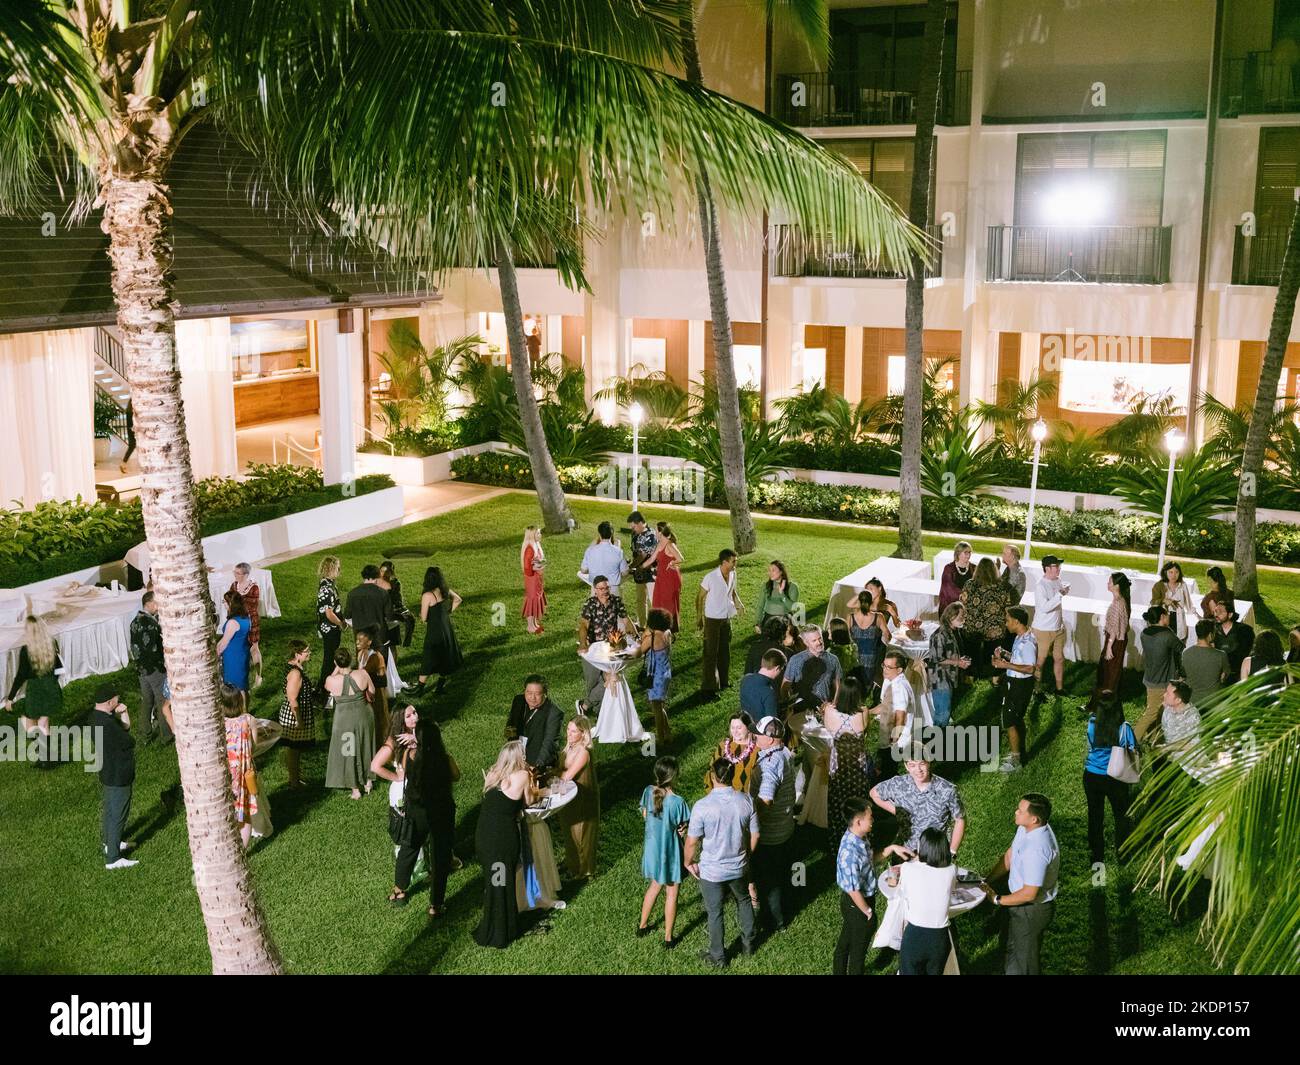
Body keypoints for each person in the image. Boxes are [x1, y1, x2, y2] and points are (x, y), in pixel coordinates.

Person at [371, 705, 459, 914]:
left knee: (409, 848)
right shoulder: (444, 759)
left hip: (417, 810)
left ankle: (399, 890)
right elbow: (456, 776)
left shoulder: (408, 756)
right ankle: (436, 904)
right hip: (441, 811)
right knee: (439, 855)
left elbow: (405, 770)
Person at [685, 757, 760, 968]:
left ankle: (718, 956)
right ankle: (748, 944)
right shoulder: (746, 801)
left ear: (712, 776)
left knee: (715, 912)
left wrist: (688, 862)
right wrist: (747, 855)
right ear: (733, 775)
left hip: (712, 870)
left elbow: (692, 842)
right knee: (744, 901)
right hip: (738, 866)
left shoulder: (702, 806)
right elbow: (755, 835)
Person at [982, 793, 1060, 976]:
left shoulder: (1037, 849)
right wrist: (988, 880)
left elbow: (1029, 893)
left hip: (1030, 910)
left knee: (1024, 963)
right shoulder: (1026, 829)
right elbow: (1010, 855)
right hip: (1020, 906)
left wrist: (997, 899)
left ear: (1034, 818)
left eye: (1021, 810)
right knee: (1013, 951)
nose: (1016, 811)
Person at [473, 741, 537, 948]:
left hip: (485, 836)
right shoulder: (523, 776)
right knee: (500, 884)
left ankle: (502, 925)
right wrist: (535, 785)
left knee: (496, 884)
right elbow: (529, 801)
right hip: (501, 840)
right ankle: (499, 933)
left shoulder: (493, 774)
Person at [833, 799, 892, 975]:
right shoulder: (850, 852)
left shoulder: (859, 838)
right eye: (870, 817)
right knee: (857, 954)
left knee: (845, 943)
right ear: (859, 822)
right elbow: (852, 889)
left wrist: (892, 848)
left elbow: (869, 860)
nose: (873, 820)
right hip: (857, 904)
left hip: (855, 903)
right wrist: (867, 912)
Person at [638, 756, 690, 947]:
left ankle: (642, 925)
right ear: (674, 776)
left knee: (654, 886)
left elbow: (645, 814)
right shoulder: (678, 802)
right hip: (670, 852)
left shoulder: (648, 791)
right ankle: (668, 938)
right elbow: (683, 828)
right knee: (672, 893)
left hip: (652, 849)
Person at [870, 753, 966, 856]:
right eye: (912, 765)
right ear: (906, 766)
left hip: (935, 854)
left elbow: (960, 819)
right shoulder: (898, 784)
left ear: (929, 762)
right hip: (906, 851)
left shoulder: (946, 789)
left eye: (922, 763)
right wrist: (897, 811)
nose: (918, 769)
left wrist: (952, 852)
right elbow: (874, 793)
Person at [752, 716, 797, 933]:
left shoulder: (770, 764)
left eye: (758, 734)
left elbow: (766, 798)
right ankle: (786, 909)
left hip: (771, 833)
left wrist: (753, 818)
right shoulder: (785, 753)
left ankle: (774, 921)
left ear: (770, 739)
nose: (755, 736)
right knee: (782, 873)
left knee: (768, 881)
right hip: (786, 827)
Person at [895, 826, 959, 976]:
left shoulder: (908, 869)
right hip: (939, 938)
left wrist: (916, 857)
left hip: (915, 935)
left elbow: (903, 891)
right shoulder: (951, 870)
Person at [1082, 691, 1136, 867]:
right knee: (1121, 816)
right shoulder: (1124, 728)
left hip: (1092, 776)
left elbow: (1090, 745)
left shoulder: (1091, 724)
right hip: (1116, 777)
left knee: (1095, 816)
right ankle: (1123, 855)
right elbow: (1132, 748)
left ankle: (1096, 857)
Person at [3, 615, 64, 768]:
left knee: (28, 721)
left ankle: (44, 757)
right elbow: (58, 668)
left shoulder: (26, 650)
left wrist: (10, 698)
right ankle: (48, 758)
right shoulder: (52, 643)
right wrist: (52, 684)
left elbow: (21, 675)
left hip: (36, 689)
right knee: (44, 722)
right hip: (51, 686)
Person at [91, 683, 138, 869]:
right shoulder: (108, 724)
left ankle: (109, 842)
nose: (119, 701)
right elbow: (129, 739)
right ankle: (113, 858)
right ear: (110, 702)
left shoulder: (96, 717)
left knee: (110, 810)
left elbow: (124, 728)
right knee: (119, 814)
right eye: (117, 699)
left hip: (107, 772)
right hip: (119, 774)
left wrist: (123, 713)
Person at [823, 676, 873, 845]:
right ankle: (861, 837)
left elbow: (827, 728)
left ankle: (838, 838)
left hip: (839, 763)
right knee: (858, 799)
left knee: (838, 800)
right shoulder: (863, 712)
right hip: (857, 765)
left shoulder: (829, 712)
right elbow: (866, 731)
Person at [324, 648, 377, 799]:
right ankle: (368, 780)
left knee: (349, 751)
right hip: (364, 715)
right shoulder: (363, 674)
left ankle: (355, 790)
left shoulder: (331, 680)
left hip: (344, 720)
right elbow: (372, 693)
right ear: (351, 659)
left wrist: (336, 668)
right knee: (365, 745)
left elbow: (328, 687)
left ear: (336, 662)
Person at [576, 575, 632, 715]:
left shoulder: (616, 601)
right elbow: (583, 625)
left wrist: (635, 634)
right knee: (592, 682)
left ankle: (585, 705)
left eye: (607, 587)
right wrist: (583, 644)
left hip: (612, 645)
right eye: (601, 588)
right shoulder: (590, 604)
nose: (605, 591)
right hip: (593, 647)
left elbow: (626, 620)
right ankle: (598, 710)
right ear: (595, 590)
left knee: (612, 675)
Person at [222, 684, 267, 849]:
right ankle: (242, 850)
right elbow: (254, 746)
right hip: (243, 772)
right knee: (244, 814)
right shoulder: (248, 720)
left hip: (225, 772)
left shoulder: (219, 723)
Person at [992, 607, 1036, 771]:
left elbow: (1030, 668)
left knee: (1010, 722)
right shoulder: (1020, 637)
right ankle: (1018, 753)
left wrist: (1005, 665)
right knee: (1015, 719)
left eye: (1008, 619)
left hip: (1019, 686)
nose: (1006, 623)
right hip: (1014, 683)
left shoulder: (1028, 643)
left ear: (1017, 621)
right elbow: (1019, 659)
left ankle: (1016, 761)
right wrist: (1005, 654)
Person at [697, 548, 742, 697]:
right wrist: (699, 618)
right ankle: (709, 687)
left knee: (725, 651)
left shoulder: (733, 574)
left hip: (725, 618)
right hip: (712, 620)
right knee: (711, 653)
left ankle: (723, 681)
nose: (736, 563)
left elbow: (732, 591)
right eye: (733, 561)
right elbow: (699, 597)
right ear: (724, 562)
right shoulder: (710, 577)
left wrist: (738, 604)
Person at [558, 716, 599, 880]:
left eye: (574, 731)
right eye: (568, 729)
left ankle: (584, 871)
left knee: (581, 834)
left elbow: (567, 776)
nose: (569, 733)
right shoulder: (568, 748)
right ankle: (573, 867)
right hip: (569, 798)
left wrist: (553, 775)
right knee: (570, 834)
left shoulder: (583, 752)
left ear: (583, 734)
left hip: (582, 798)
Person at [128, 591, 171, 744]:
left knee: (147, 700)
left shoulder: (135, 621)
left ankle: (144, 734)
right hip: (154, 669)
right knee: (162, 701)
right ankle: (166, 735)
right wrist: (162, 666)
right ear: (151, 604)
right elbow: (153, 649)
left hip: (141, 669)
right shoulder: (151, 624)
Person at [960, 557, 1013, 678]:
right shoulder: (1003, 587)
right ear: (995, 570)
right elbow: (1007, 608)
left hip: (972, 627)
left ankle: (970, 675)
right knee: (993, 652)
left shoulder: (969, 584)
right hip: (994, 629)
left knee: (971, 650)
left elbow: (962, 602)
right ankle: (994, 675)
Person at [1137, 605, 1183, 742]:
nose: (1169, 617)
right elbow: (1181, 648)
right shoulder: (1167, 635)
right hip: (1162, 681)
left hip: (1150, 677)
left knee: (1160, 712)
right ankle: (1131, 740)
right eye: (1167, 614)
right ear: (1162, 617)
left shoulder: (1144, 633)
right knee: (1151, 713)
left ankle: (1153, 739)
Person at [414, 566, 463, 694]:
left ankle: (419, 688)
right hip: (446, 628)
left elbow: (424, 618)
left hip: (434, 630)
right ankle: (440, 687)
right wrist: (446, 612)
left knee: (428, 656)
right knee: (444, 655)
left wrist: (422, 616)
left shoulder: (427, 595)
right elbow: (458, 599)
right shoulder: (444, 590)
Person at [630, 608, 674, 745]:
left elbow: (638, 653)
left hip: (655, 676)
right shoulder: (667, 633)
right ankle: (668, 734)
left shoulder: (652, 638)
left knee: (656, 709)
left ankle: (660, 739)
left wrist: (638, 641)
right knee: (659, 706)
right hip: (665, 673)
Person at [278, 639, 317, 789]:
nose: (310, 653)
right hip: (294, 715)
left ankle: (295, 778)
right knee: (294, 750)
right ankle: (294, 781)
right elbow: (293, 699)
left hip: (296, 713)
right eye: (307, 651)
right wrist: (299, 720)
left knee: (295, 749)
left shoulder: (294, 667)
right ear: (297, 654)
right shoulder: (295, 673)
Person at [504, 674, 564, 771]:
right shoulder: (518, 701)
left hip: (537, 760)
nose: (532, 697)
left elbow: (549, 743)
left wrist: (536, 767)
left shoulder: (553, 713)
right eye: (529, 692)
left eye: (537, 693)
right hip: (516, 754)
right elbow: (510, 725)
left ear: (545, 693)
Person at [926, 602, 970, 728]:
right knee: (943, 712)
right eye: (961, 617)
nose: (963, 620)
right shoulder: (939, 635)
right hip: (940, 678)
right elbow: (936, 659)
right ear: (951, 617)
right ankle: (936, 739)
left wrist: (960, 659)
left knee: (946, 709)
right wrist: (958, 663)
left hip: (949, 676)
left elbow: (949, 653)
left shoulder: (954, 631)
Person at [1031, 555, 1069, 698]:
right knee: (1040, 661)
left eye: (1059, 566)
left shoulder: (1058, 581)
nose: (1059, 569)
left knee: (1059, 659)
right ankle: (1036, 690)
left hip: (1058, 629)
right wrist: (1060, 594)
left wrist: (1063, 591)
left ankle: (1059, 688)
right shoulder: (1040, 586)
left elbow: (1057, 599)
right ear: (1047, 568)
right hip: (1043, 630)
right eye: (1056, 566)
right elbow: (1045, 608)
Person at [782, 624, 843, 711]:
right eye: (814, 640)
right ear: (806, 642)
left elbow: (837, 683)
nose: (819, 643)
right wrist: (789, 706)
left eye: (820, 638)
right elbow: (785, 687)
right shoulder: (795, 660)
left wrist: (834, 703)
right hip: (802, 709)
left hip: (825, 708)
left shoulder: (833, 659)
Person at [871, 650, 916, 767]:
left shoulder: (899, 687)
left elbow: (901, 716)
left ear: (899, 670)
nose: (885, 669)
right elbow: (886, 705)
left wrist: (894, 740)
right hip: (890, 732)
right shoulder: (891, 679)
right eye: (884, 665)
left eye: (889, 667)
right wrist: (867, 711)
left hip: (899, 739)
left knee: (887, 768)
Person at [345, 564, 393, 663]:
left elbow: (347, 615)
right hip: (380, 635)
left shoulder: (352, 593)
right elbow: (389, 616)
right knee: (381, 666)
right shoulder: (383, 593)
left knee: (363, 665)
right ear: (377, 577)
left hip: (361, 637)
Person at [1094, 572, 1132, 699]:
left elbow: (1115, 629)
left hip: (1114, 640)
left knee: (1109, 670)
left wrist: (1109, 646)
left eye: (1110, 582)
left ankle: (1105, 698)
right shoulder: (1121, 600)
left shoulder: (1118, 603)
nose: (1108, 584)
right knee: (1111, 669)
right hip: (1117, 639)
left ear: (1117, 586)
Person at [645, 521, 683, 632]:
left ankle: (669, 628)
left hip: (670, 577)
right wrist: (641, 567)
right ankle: (660, 626)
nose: (655, 532)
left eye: (656, 530)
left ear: (660, 532)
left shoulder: (670, 544)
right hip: (661, 576)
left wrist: (671, 563)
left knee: (668, 603)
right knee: (658, 600)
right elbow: (652, 559)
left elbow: (680, 558)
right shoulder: (660, 544)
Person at [1182, 618, 1230, 707]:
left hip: (1192, 701)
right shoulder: (1220, 655)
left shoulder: (1186, 653)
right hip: (1213, 702)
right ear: (1210, 635)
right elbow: (1225, 676)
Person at [1159, 680, 1202, 778]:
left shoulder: (1192, 716)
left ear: (1178, 700)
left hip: (1185, 759)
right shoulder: (1168, 709)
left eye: (1168, 693)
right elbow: (1163, 730)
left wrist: (1170, 747)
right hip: (1167, 754)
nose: (1164, 695)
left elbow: (1194, 745)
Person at [356, 625, 390, 744]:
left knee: (380, 719)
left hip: (378, 692)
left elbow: (363, 672)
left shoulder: (375, 657)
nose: (357, 642)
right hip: (368, 690)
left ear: (369, 642)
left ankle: (383, 743)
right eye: (357, 639)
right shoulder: (360, 654)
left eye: (360, 640)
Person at [846, 589, 888, 683]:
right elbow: (887, 636)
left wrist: (860, 594)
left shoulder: (851, 617)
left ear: (859, 601)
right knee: (867, 683)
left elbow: (846, 637)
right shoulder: (879, 617)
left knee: (855, 683)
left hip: (854, 657)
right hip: (871, 657)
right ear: (871, 601)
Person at [712, 713, 760, 795]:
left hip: (745, 800)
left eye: (739, 728)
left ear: (749, 728)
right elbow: (711, 771)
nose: (735, 731)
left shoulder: (757, 751)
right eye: (732, 728)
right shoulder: (723, 746)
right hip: (722, 797)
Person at [1151, 561, 1199, 643]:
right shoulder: (1159, 585)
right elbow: (1153, 602)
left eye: (1176, 572)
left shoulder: (1182, 585)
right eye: (1171, 572)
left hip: (1179, 619)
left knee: (1178, 643)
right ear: (1165, 572)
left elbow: (1189, 604)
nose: (1174, 575)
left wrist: (1198, 617)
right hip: (1165, 618)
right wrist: (1163, 600)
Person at [316, 555, 345, 689]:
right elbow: (329, 613)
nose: (340, 571)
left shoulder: (328, 584)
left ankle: (326, 685)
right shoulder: (326, 589)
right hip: (330, 628)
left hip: (331, 627)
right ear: (332, 569)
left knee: (330, 657)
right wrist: (341, 623)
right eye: (338, 568)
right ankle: (323, 687)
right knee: (329, 659)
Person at [579, 521, 629, 595]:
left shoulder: (590, 550)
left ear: (599, 534)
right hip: (613, 590)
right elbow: (625, 573)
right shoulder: (618, 551)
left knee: (597, 606)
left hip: (596, 589)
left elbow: (583, 570)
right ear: (612, 534)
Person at [1210, 598, 1255, 680]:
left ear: (1230, 615)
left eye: (1220, 612)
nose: (1216, 614)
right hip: (1217, 673)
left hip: (1238, 673)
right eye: (1216, 611)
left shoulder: (1244, 631)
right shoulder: (1212, 630)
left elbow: (1245, 653)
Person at [628, 510, 658, 628]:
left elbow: (642, 555)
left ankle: (655, 626)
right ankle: (642, 624)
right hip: (639, 573)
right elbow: (636, 552)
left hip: (650, 573)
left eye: (634, 526)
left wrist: (631, 566)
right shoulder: (636, 534)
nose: (633, 529)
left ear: (640, 523)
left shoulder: (651, 534)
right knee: (641, 599)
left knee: (652, 600)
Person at [216, 591, 252, 691]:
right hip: (242, 655)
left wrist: (214, 655)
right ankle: (245, 706)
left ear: (231, 603)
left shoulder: (232, 622)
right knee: (242, 685)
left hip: (233, 658)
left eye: (224, 601)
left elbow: (223, 643)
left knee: (234, 687)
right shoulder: (246, 619)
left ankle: (238, 706)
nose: (223, 604)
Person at [753, 560, 800, 635]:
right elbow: (760, 606)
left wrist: (782, 594)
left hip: (785, 622)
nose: (770, 573)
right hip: (768, 621)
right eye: (769, 570)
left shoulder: (793, 587)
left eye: (773, 570)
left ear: (781, 572)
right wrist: (757, 623)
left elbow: (792, 608)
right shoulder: (766, 586)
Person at [378, 560, 416, 649]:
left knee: (410, 618)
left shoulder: (395, 582)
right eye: (382, 571)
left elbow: (398, 601)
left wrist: (402, 609)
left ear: (391, 572)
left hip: (394, 609)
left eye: (387, 571)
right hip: (382, 611)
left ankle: (407, 642)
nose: (384, 574)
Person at [740, 648, 784, 722]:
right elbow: (771, 726)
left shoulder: (745, 679)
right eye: (781, 670)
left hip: (746, 724)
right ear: (777, 668)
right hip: (760, 731)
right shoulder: (768, 692)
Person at [229, 562, 262, 660]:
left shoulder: (253, 588)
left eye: (238, 573)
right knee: (238, 645)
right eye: (234, 572)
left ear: (246, 575)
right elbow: (229, 599)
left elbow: (250, 606)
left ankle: (258, 675)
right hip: (236, 619)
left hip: (250, 619)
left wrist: (233, 604)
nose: (235, 575)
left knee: (254, 647)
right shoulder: (234, 585)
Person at [521, 526, 547, 635]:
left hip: (537, 579)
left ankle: (535, 623)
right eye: (538, 533)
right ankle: (530, 626)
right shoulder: (529, 548)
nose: (540, 535)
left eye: (540, 533)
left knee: (536, 599)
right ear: (532, 535)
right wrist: (537, 567)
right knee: (532, 601)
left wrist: (540, 563)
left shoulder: (536, 545)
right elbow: (527, 568)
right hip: (532, 579)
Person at [938, 540, 975, 613]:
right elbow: (948, 588)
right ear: (958, 553)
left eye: (969, 552)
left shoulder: (974, 568)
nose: (968, 555)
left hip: (970, 606)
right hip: (951, 607)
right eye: (965, 553)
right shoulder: (949, 569)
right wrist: (962, 596)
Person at [826, 617, 861, 684]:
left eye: (829, 628)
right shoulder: (853, 647)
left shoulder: (831, 651)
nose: (828, 630)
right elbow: (856, 664)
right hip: (850, 681)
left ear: (835, 632)